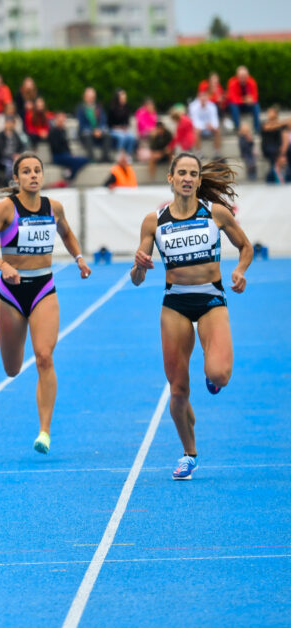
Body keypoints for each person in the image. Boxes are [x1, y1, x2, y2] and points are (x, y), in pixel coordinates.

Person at [130, 153, 252, 480]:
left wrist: (240, 271)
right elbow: (137, 278)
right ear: (170, 178)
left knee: (220, 374)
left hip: (212, 299)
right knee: (178, 389)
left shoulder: (216, 213)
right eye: (181, 172)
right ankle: (189, 453)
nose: (187, 178)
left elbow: (245, 247)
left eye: (193, 173)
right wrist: (138, 267)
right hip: (175, 304)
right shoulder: (154, 221)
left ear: (199, 181)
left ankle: (211, 375)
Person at [0, 153, 91, 454]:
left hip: (43, 289)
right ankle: (20, 375)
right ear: (16, 179)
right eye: (26, 171)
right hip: (11, 295)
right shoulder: (5, 209)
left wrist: (79, 258)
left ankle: (44, 431)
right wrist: (2, 266)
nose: (33, 175)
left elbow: (66, 233)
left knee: (44, 357)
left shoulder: (54, 207)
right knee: (12, 369)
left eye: (37, 170)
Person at [48, 112, 90, 184]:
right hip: (58, 156)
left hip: (65, 155)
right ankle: (70, 177)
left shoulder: (63, 131)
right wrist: (67, 154)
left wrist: (70, 154)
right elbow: (55, 148)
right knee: (77, 161)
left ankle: (69, 172)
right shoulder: (53, 132)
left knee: (85, 160)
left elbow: (66, 146)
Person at [76, 87, 112, 162]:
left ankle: (105, 157)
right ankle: (91, 158)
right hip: (86, 133)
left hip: (98, 133)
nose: (90, 99)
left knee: (107, 135)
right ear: (84, 97)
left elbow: (103, 120)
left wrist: (100, 130)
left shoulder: (98, 107)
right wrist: (93, 131)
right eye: (88, 97)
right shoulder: (81, 109)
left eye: (92, 97)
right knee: (87, 135)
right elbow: (82, 124)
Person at [226, 66, 261, 133]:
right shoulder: (232, 82)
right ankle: (237, 128)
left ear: (248, 76)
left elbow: (255, 97)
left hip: (247, 105)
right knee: (233, 106)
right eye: (241, 76)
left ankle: (257, 128)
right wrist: (244, 100)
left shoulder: (252, 82)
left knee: (256, 106)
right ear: (237, 76)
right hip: (237, 106)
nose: (243, 78)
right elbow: (232, 98)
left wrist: (251, 100)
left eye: (244, 76)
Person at [189, 89, 221, 156]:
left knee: (217, 130)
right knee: (196, 131)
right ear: (198, 97)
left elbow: (215, 119)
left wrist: (212, 126)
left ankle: (217, 152)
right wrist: (204, 126)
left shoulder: (212, 106)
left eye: (204, 96)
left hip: (209, 128)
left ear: (207, 97)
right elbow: (194, 121)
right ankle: (198, 152)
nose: (203, 98)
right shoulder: (193, 106)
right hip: (200, 128)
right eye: (201, 96)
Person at [107, 89, 137, 155]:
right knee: (122, 137)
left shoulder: (126, 108)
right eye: (122, 98)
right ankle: (119, 155)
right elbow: (109, 124)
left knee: (131, 137)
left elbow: (127, 122)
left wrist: (125, 127)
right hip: (113, 130)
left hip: (124, 129)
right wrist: (119, 128)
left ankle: (128, 155)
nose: (124, 99)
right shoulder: (112, 109)